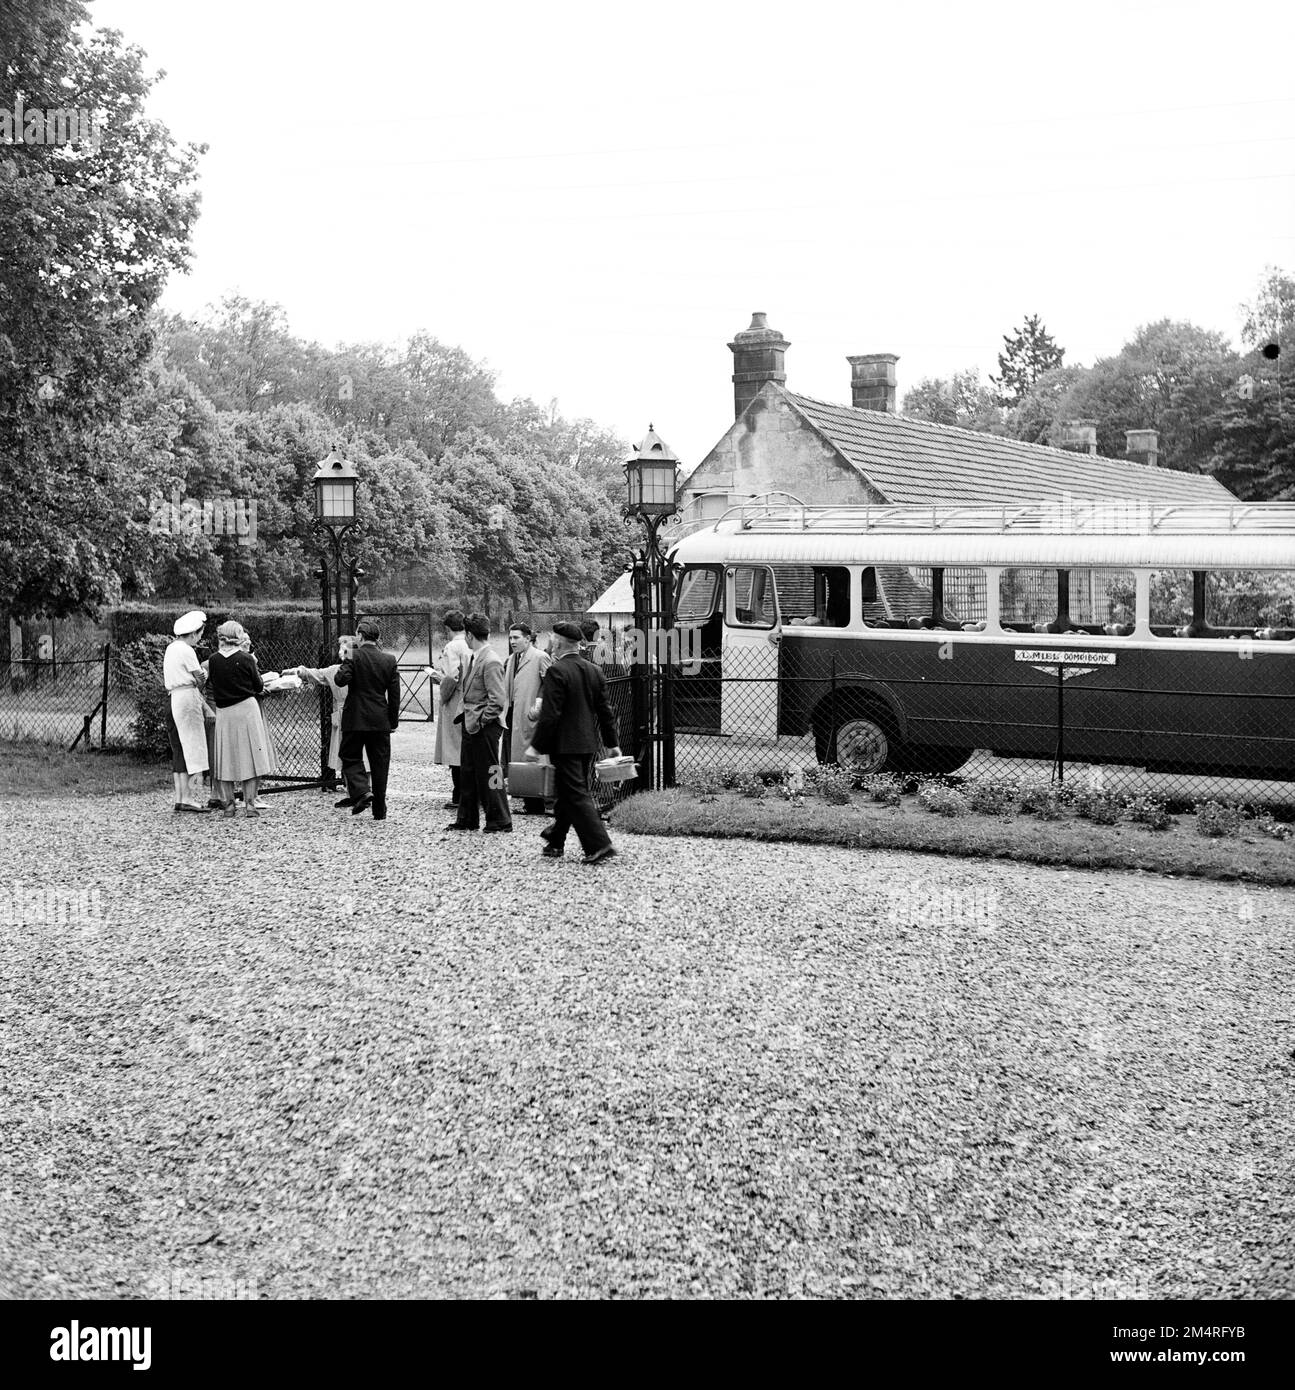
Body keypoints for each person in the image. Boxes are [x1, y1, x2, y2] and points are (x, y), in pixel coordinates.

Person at [526, 621, 621, 864]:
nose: (550, 643)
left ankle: (599, 845)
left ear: (558, 643)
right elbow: (605, 711)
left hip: (565, 746)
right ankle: (556, 839)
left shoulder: (556, 671)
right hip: (587, 744)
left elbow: (551, 714)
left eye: (552, 640)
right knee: (568, 792)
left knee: (576, 794)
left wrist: (536, 746)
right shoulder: (593, 670)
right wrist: (612, 743)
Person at [446, 612, 512, 834]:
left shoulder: (490, 660)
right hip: (472, 724)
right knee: (468, 773)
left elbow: (497, 699)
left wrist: (483, 721)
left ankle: (500, 819)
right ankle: (467, 818)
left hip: (485, 726)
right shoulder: (476, 657)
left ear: (469, 635)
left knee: (492, 773)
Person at [207, 620, 276, 818]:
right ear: (238, 636)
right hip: (246, 710)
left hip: (224, 712)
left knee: (225, 758)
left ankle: (229, 805)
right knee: (251, 757)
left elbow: (213, 684)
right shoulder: (246, 659)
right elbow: (258, 685)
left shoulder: (213, 660)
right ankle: (250, 804)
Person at [334, 617, 400, 820]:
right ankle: (379, 810)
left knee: (349, 755)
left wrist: (347, 659)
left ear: (361, 636)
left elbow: (340, 679)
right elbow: (394, 695)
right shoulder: (389, 660)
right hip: (380, 719)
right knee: (380, 764)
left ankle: (362, 791)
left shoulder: (353, 655)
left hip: (355, 717)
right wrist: (392, 721)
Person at [163, 609, 212, 813]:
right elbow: (199, 678)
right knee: (193, 748)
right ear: (192, 633)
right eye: (199, 634)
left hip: (173, 698)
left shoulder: (171, 648)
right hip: (187, 699)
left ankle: (180, 797)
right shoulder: (187, 650)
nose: (199, 639)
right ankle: (189, 797)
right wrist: (205, 675)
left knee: (179, 749)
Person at [503, 622, 552, 814]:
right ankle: (528, 800)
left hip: (531, 715)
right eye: (510, 638)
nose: (512, 641)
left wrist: (538, 703)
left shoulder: (540, 657)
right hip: (514, 715)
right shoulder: (512, 659)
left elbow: (549, 683)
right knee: (520, 758)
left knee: (534, 758)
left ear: (528, 638)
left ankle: (539, 802)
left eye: (516, 637)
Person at [295, 634, 354, 785]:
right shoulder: (334, 670)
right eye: (340, 649)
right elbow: (317, 674)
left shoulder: (341, 671)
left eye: (344, 649)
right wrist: (300, 671)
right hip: (345, 714)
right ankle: (354, 789)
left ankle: (359, 790)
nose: (341, 652)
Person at [429, 610, 471, 811]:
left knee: (455, 749)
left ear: (447, 628)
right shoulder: (470, 643)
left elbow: (452, 676)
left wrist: (439, 682)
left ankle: (459, 794)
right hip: (469, 699)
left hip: (455, 702)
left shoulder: (452, 646)